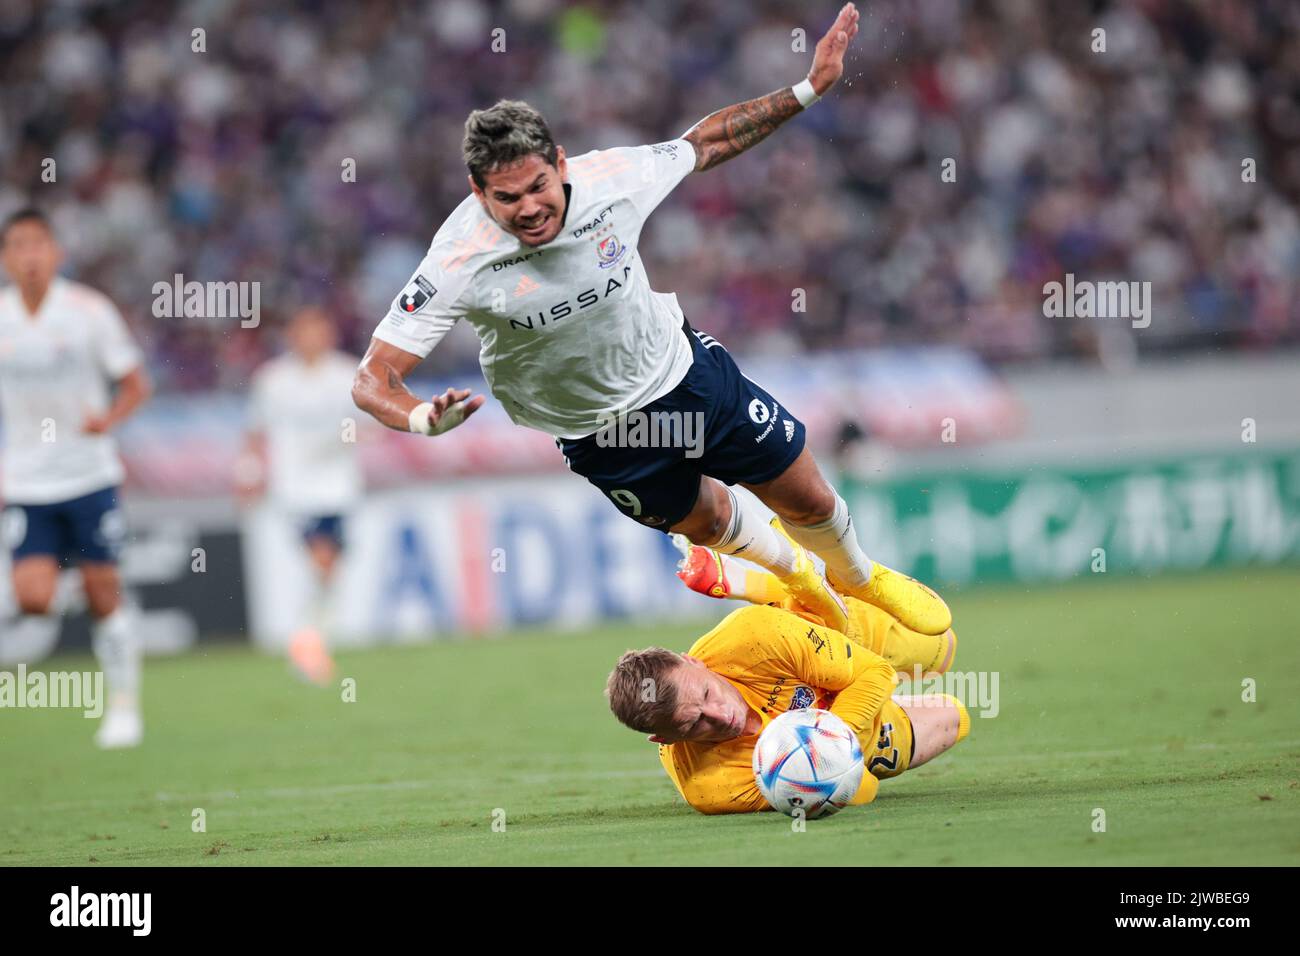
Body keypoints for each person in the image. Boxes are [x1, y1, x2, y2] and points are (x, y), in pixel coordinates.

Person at [351, 3, 950, 641]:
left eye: (538, 186)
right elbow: (373, 378)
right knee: (709, 521)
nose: (529, 208)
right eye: (507, 197)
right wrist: (420, 418)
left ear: (559, 162)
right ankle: (800, 579)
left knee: (806, 497)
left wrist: (809, 88)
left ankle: (860, 579)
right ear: (478, 192)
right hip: (593, 429)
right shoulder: (457, 259)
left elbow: (706, 142)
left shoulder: (613, 179)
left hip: (679, 371)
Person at [602, 537, 967, 814]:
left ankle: (803, 586)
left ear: (694, 662)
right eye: (695, 724)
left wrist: (826, 738)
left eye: (709, 696)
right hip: (856, 734)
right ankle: (800, 584)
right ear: (663, 738)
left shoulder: (751, 637)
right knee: (956, 718)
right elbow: (853, 792)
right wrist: (832, 758)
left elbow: (875, 671)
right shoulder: (711, 786)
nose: (721, 716)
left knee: (940, 648)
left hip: (835, 638)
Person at [0, 208, 152, 748]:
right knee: (33, 599)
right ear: (5, 258)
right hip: (27, 482)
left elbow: (136, 384)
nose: (30, 255)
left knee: (104, 596)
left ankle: (124, 708)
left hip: (89, 475)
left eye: (39, 243)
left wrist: (107, 420)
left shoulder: (89, 311)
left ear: (57, 253)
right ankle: (73, 577)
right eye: (18, 245)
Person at [238, 307, 364, 685]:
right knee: (320, 562)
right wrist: (248, 475)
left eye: (318, 330)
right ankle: (308, 648)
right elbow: (255, 432)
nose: (311, 338)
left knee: (328, 572)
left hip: (339, 486)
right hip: (294, 489)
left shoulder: (348, 374)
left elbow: (369, 425)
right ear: (292, 336)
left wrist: (340, 441)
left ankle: (310, 641)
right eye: (304, 331)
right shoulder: (273, 380)